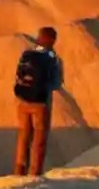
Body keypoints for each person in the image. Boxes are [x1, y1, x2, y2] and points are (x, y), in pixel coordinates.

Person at [13, 26, 63, 176]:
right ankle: (35, 173)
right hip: (41, 103)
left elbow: (18, 76)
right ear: (52, 40)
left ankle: (19, 170)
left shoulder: (27, 54)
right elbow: (57, 83)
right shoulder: (53, 58)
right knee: (39, 139)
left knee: (24, 136)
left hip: (23, 101)